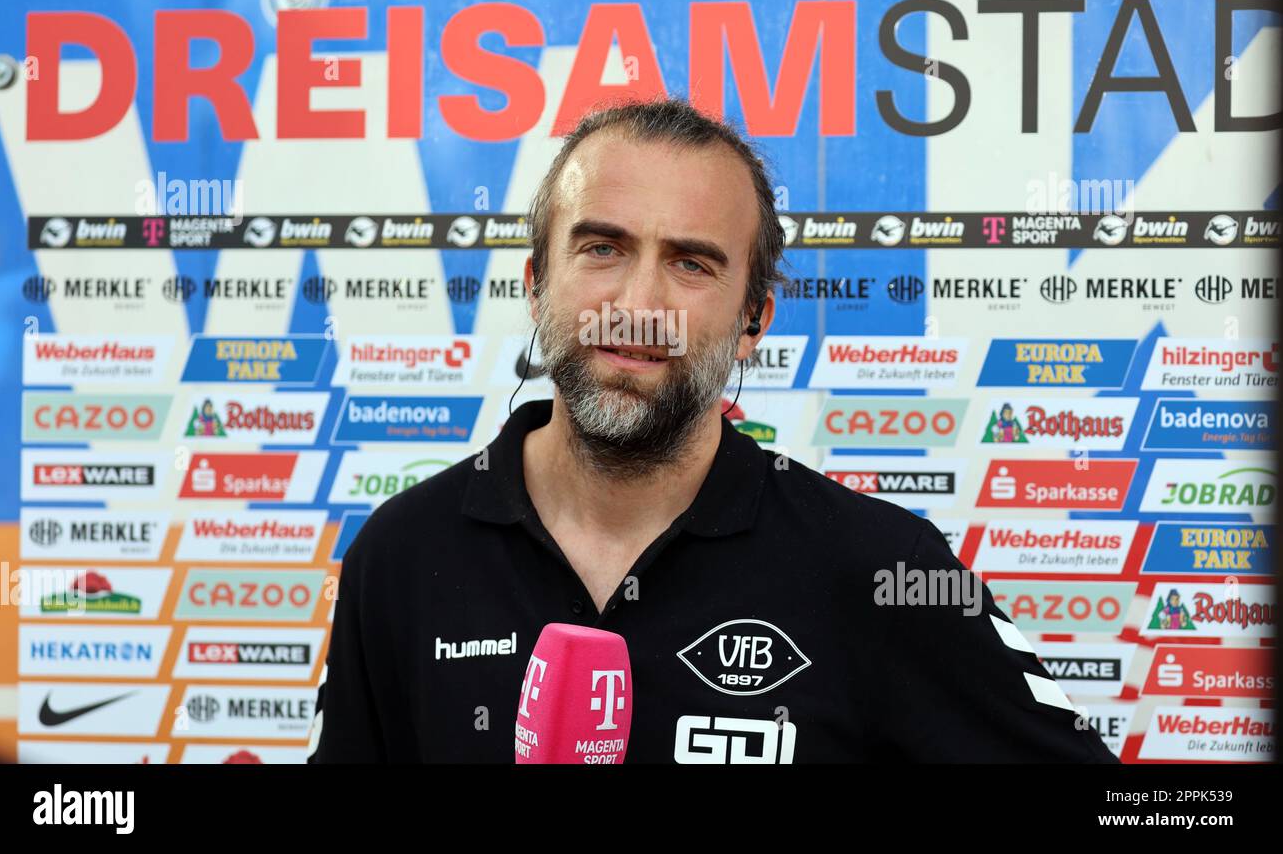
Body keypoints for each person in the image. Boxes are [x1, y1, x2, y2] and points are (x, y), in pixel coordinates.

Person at [307, 97, 1117, 763]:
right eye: (601, 248)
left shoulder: (879, 568)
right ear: (535, 284)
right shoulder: (402, 556)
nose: (638, 305)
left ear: (752, 320)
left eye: (691, 264)